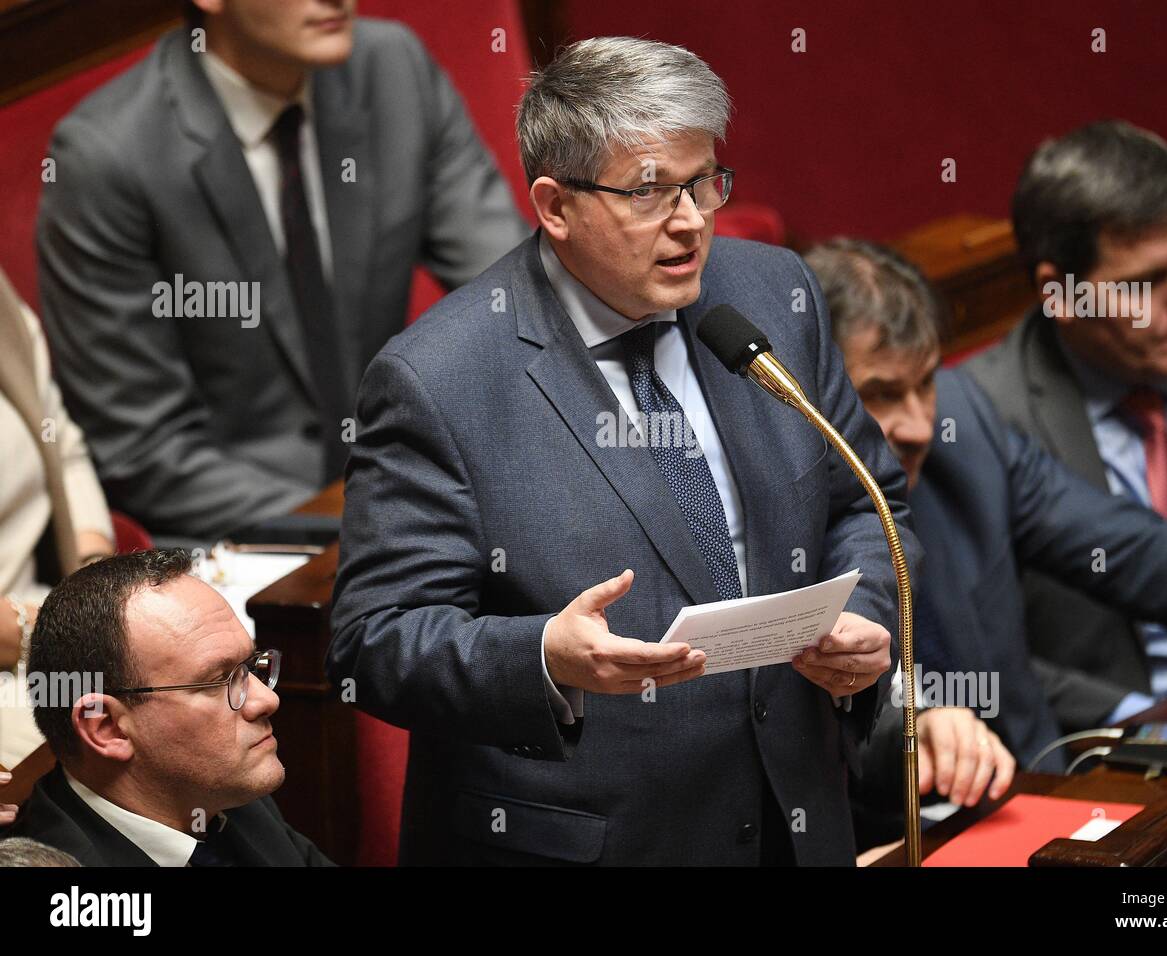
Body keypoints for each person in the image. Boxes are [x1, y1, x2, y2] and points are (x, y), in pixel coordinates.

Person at [327, 37, 920, 866]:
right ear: (555, 205)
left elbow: (868, 501)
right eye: (648, 191)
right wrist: (542, 656)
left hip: (794, 815)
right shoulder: (441, 379)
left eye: (703, 182)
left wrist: (861, 618)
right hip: (590, 842)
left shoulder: (773, 295)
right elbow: (375, 639)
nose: (689, 220)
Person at [37, 0, 528, 540]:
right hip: (244, 542)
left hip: (410, 490)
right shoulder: (107, 156)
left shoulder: (393, 68)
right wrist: (383, 523)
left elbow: (517, 303)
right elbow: (145, 451)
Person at [806, 240, 1167, 771]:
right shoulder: (771, 516)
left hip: (1032, 792)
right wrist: (917, 724)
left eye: (925, 383)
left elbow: (1135, 551)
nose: (920, 425)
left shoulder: (963, 429)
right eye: (879, 394)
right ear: (813, 391)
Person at [965, 120, 1167, 730]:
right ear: (1060, 293)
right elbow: (982, 655)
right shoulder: (986, 418)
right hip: (1131, 743)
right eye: (1146, 283)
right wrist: (1138, 724)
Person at [6, 550, 333, 866]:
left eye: (248, 666)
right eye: (218, 681)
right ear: (107, 728)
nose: (267, 700)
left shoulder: (223, 797)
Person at [0, 267, 114, 770]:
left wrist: (93, 574)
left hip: (42, 623)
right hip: (21, 654)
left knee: (207, 692)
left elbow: (61, 446)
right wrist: (49, 631)